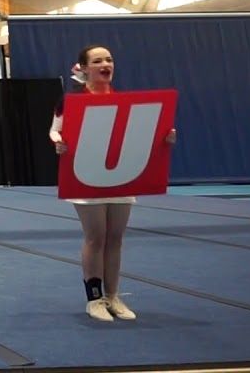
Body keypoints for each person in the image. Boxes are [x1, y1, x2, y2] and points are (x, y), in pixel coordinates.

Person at [49, 45, 177, 322]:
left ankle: (113, 296)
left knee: (116, 239)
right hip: (86, 175)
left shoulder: (126, 103)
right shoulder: (69, 101)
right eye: (97, 61)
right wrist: (60, 144)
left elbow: (144, 136)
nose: (105, 64)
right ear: (84, 68)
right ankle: (94, 298)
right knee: (96, 237)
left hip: (121, 177)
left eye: (108, 59)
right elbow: (55, 130)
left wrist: (164, 139)